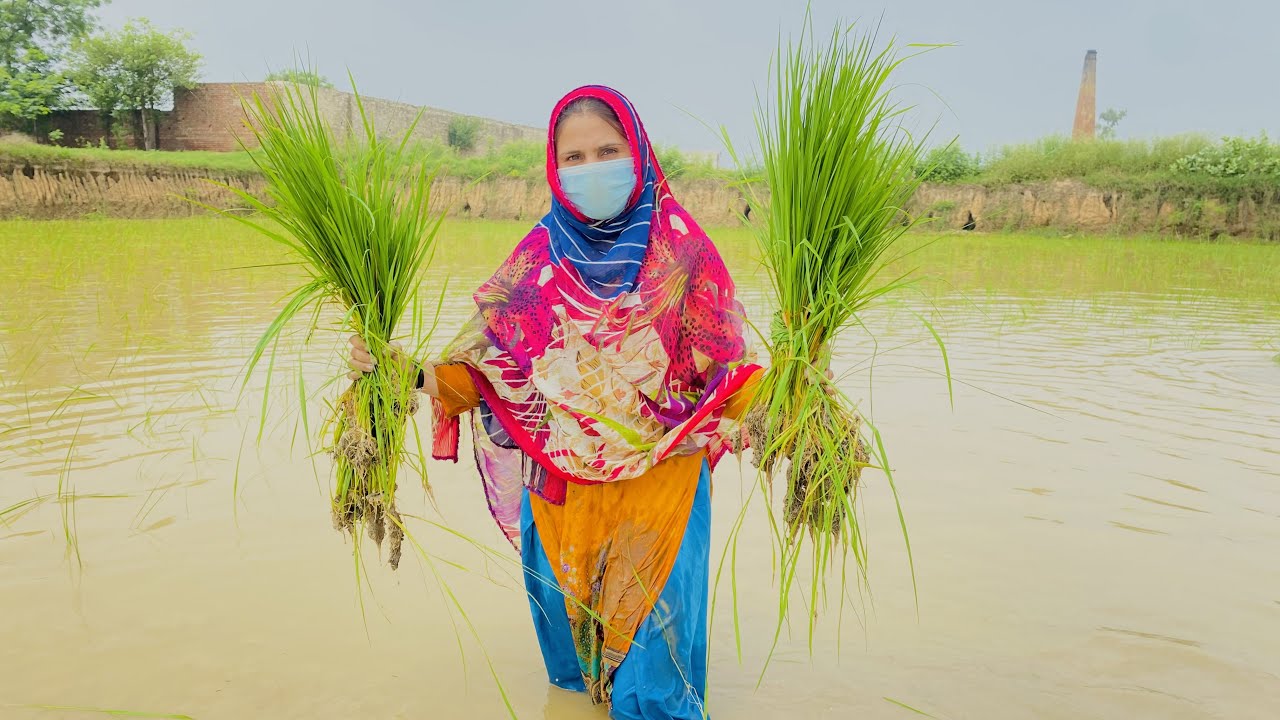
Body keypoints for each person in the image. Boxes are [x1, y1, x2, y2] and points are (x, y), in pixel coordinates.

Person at [349, 85, 764, 719]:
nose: (592, 168)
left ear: (640, 153)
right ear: (553, 167)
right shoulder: (536, 264)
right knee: (574, 682)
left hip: (661, 502)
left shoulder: (683, 256)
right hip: (560, 501)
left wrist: (794, 392)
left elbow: (726, 383)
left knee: (655, 691)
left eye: (608, 149)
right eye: (574, 157)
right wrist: (405, 374)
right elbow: (482, 377)